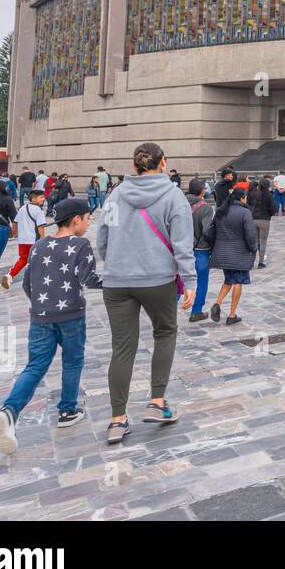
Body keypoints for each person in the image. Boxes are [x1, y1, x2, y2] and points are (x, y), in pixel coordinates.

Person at [96, 142, 196, 445]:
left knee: (122, 348)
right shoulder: (174, 197)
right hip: (157, 280)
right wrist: (189, 281)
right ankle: (157, 401)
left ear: (134, 164)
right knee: (165, 332)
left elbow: (103, 237)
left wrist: (116, 262)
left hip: (116, 281)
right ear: (163, 163)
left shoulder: (115, 195)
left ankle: (117, 420)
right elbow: (182, 245)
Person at [0, 198, 102, 453]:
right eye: (87, 218)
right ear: (76, 220)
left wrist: (41, 305)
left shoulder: (39, 245)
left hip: (39, 316)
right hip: (71, 314)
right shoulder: (81, 244)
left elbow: (28, 283)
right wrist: (117, 282)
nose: (88, 222)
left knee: (35, 366)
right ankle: (68, 410)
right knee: (72, 361)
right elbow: (89, 279)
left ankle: (9, 411)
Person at [208, 182, 257, 326]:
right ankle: (232, 314)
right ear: (242, 198)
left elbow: (213, 230)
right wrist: (253, 249)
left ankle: (217, 303)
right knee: (238, 281)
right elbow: (250, 235)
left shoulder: (221, 211)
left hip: (223, 252)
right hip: (239, 253)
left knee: (228, 279)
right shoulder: (245, 212)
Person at [1, 188, 48, 290]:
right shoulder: (38, 211)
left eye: (43, 197)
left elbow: (15, 222)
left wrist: (15, 233)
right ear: (34, 199)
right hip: (34, 241)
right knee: (38, 261)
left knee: (23, 260)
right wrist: (43, 240)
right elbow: (41, 227)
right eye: (41, 197)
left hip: (22, 241)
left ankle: (9, 275)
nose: (43, 199)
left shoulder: (23, 208)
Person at [185, 178, 216, 323]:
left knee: (178, 280)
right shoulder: (206, 208)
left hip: (180, 249)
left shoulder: (179, 203)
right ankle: (196, 311)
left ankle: (168, 313)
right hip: (200, 249)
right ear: (202, 191)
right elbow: (207, 230)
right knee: (202, 280)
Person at [249, 177, 275, 267]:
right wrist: (269, 215)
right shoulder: (269, 195)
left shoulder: (254, 194)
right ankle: (260, 262)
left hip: (253, 219)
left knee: (254, 242)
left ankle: (251, 262)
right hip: (264, 220)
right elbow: (273, 209)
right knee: (263, 241)